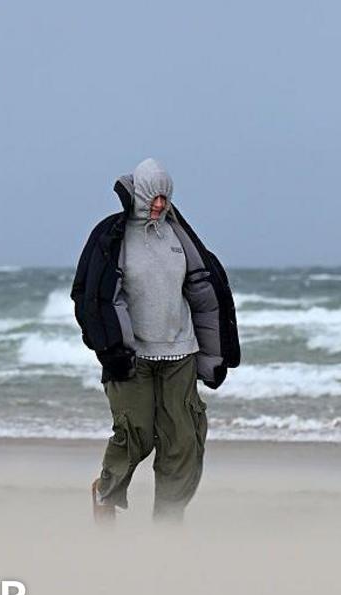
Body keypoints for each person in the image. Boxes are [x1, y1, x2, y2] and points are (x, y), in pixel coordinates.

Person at [70, 158, 240, 524]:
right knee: (136, 434)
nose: (160, 204)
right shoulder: (111, 235)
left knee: (184, 440)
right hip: (132, 356)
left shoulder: (179, 236)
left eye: (165, 197)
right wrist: (107, 346)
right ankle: (106, 492)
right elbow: (87, 295)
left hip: (181, 352)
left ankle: (168, 520)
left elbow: (204, 294)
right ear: (139, 194)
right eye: (153, 197)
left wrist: (215, 353)